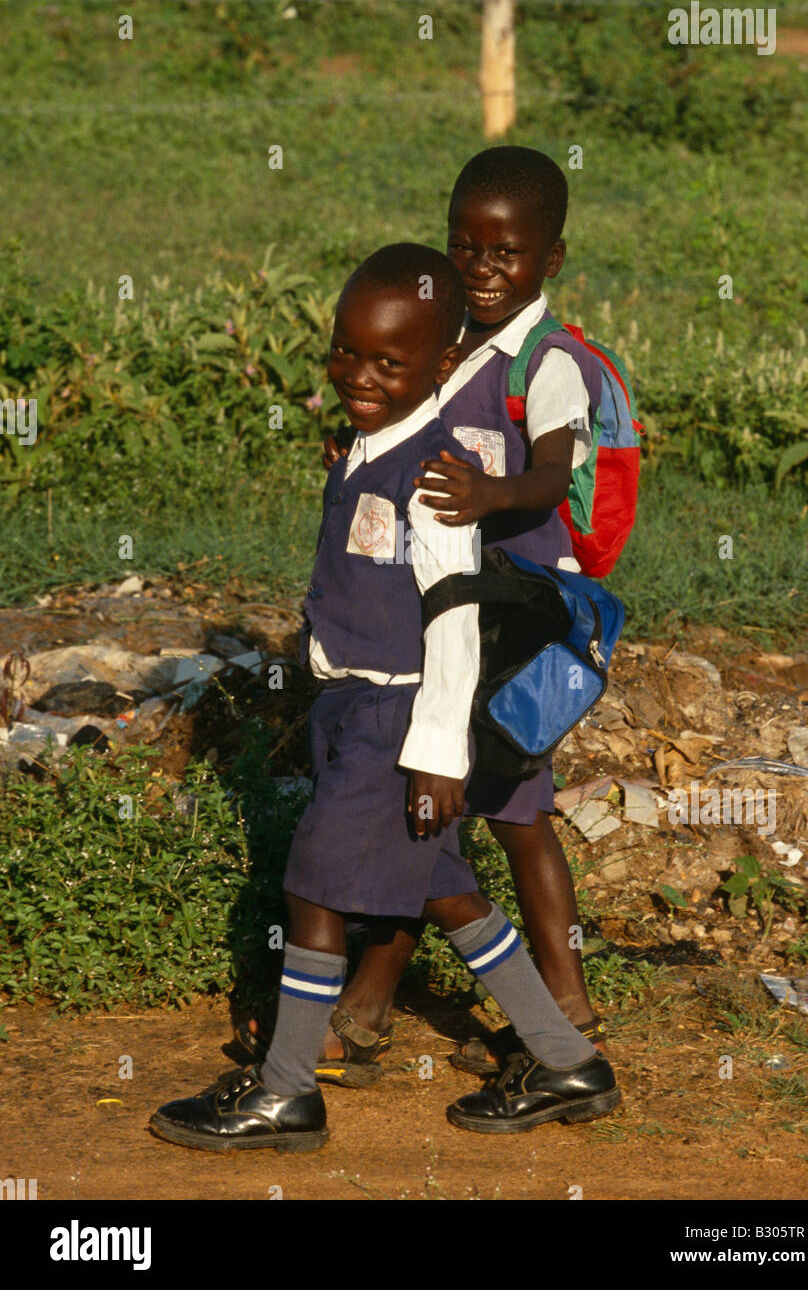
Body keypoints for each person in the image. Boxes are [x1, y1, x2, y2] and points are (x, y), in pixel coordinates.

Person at [149, 243, 619, 1151]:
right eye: (345, 353)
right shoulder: (370, 443)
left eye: (388, 363)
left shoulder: (437, 479)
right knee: (446, 894)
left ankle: (285, 1091)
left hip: (395, 719)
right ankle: (566, 1060)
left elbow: (450, 624)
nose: (359, 376)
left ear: (442, 365)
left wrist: (437, 754)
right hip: (355, 709)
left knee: (317, 889)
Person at [288, 147, 607, 1085]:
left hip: (504, 626)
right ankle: (371, 1005)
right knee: (425, 818)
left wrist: (487, 493)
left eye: (504, 252)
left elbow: (556, 473)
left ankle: (567, 1001)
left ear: (549, 259)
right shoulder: (451, 337)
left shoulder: (549, 362)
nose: (480, 266)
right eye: (465, 245)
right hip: (426, 614)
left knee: (514, 812)